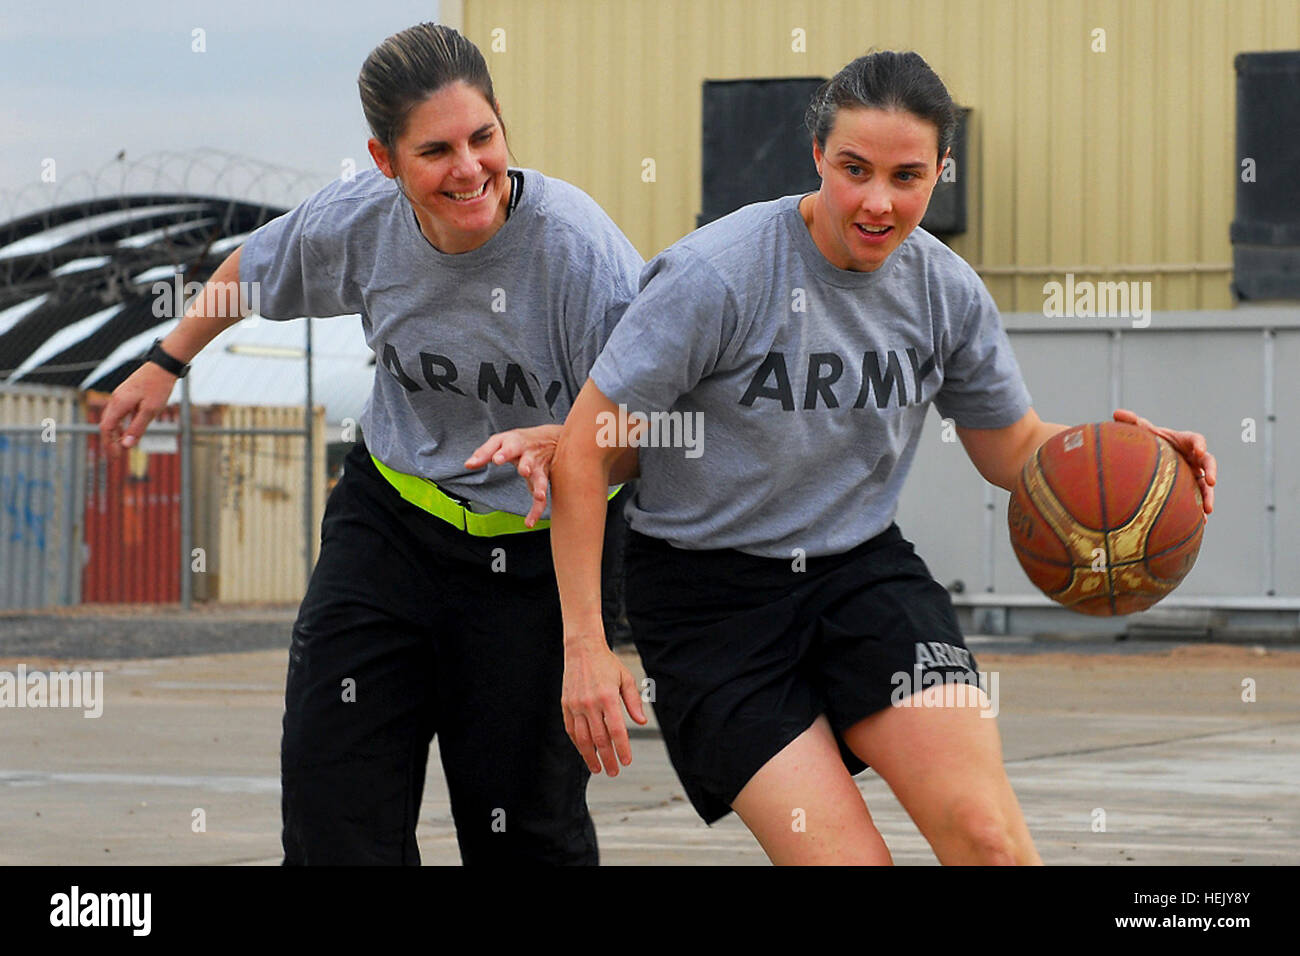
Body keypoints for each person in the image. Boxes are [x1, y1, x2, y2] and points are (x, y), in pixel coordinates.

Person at [549, 50, 1217, 865]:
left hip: (858, 572)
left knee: (987, 840)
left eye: (906, 176)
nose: (876, 201)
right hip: (708, 599)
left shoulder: (945, 290)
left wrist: (1133, 462)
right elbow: (585, 452)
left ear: (942, 170)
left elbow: (1016, 452)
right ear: (817, 158)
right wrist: (585, 644)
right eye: (853, 169)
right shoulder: (715, 276)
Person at [99, 22, 643, 865]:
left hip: (539, 555)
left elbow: (648, 434)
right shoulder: (359, 223)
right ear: (386, 162)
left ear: (503, 126)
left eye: (482, 138)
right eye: (436, 151)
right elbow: (250, 267)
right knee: (333, 807)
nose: (468, 170)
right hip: (391, 524)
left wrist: (586, 636)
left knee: (521, 826)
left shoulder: (578, 254)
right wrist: (163, 363)